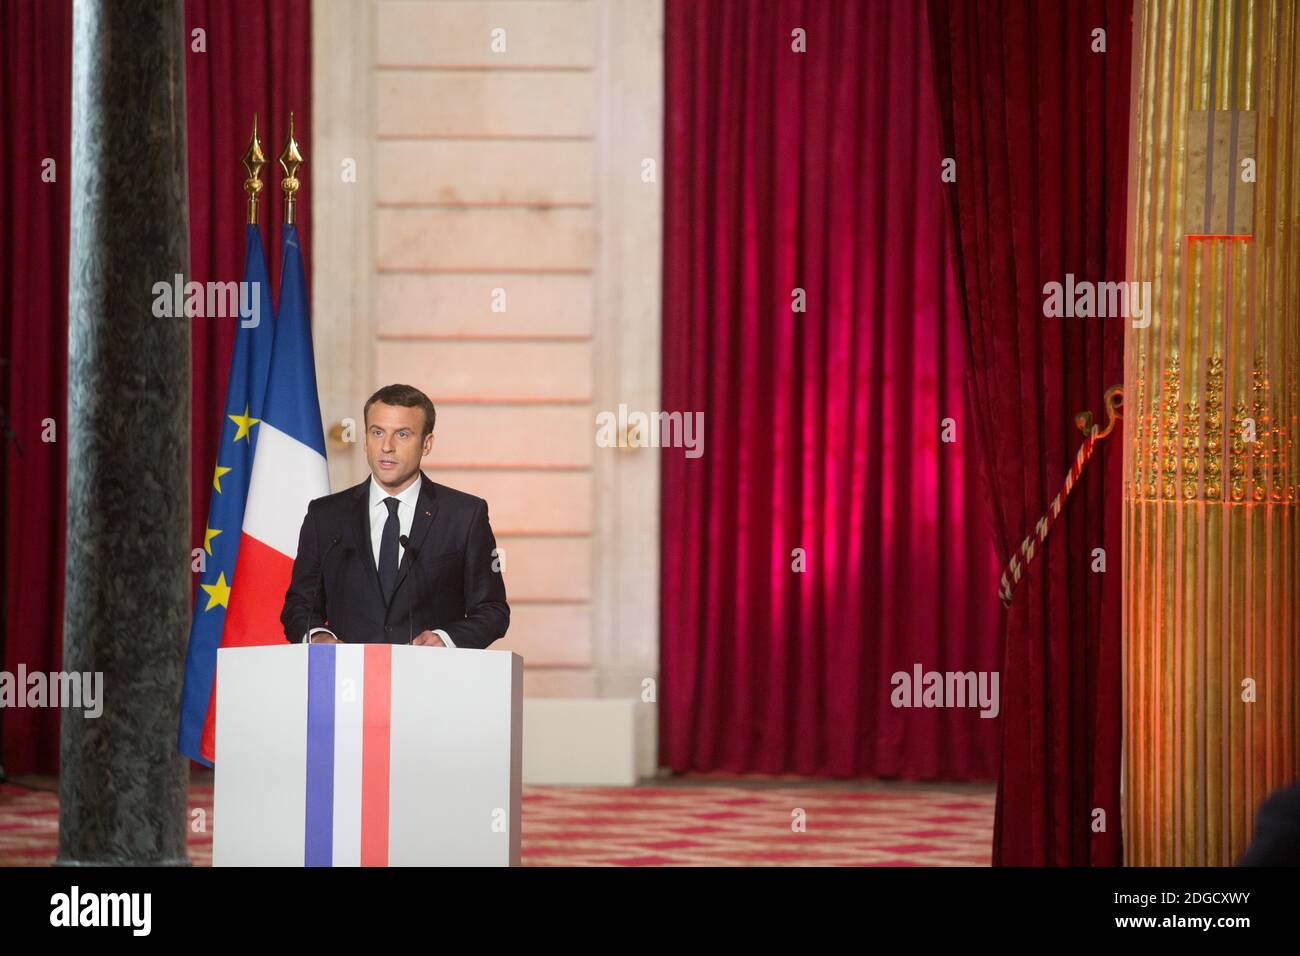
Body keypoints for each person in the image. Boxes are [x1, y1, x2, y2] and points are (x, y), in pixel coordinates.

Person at [280, 383, 509, 648]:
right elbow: (299, 605)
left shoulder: (464, 516)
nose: (386, 446)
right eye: (377, 432)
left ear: (426, 444)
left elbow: (493, 611)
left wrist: (445, 639)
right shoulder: (325, 516)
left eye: (402, 435)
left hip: (430, 679)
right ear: (365, 439)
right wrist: (319, 635)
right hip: (348, 681)